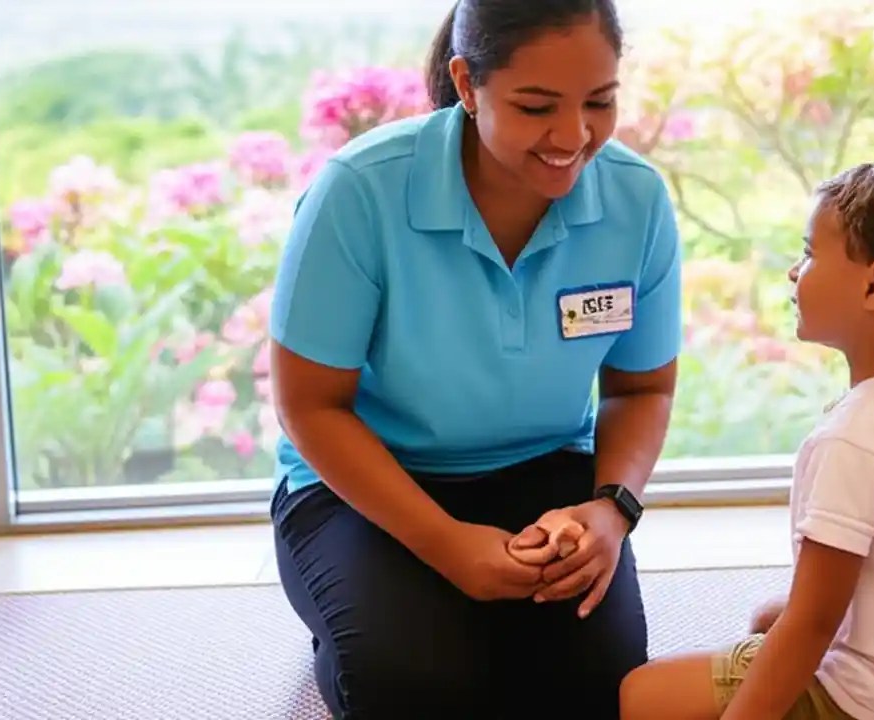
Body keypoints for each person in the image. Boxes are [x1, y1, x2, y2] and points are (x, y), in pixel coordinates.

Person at [267, 0, 682, 717]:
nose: (573, 136)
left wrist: (610, 511)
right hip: (365, 488)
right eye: (536, 106)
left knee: (602, 690)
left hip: (546, 475)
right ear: (467, 84)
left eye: (600, 102)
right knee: (417, 687)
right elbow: (310, 405)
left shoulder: (635, 199)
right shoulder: (360, 190)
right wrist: (449, 546)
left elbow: (640, 390)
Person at [619, 159, 874, 720]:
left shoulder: (854, 439)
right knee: (767, 620)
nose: (794, 272)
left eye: (809, 254)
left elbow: (812, 627)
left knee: (641, 696)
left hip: (863, 701)